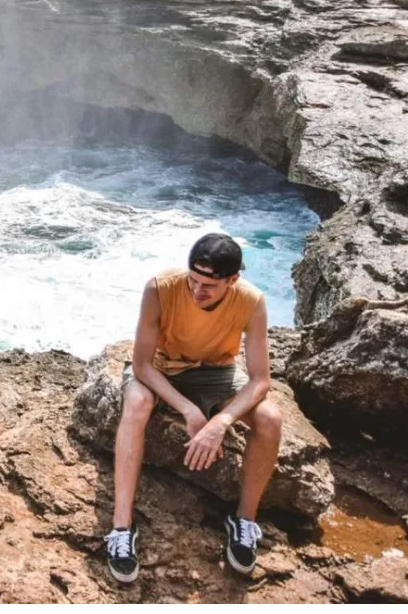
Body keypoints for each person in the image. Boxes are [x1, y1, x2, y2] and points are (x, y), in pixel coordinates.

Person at [103, 233, 282, 584]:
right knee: (137, 403)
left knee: (270, 418)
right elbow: (141, 365)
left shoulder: (251, 301)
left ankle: (243, 521)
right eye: (193, 280)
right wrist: (188, 409)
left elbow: (260, 379)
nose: (197, 291)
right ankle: (121, 529)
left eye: (209, 286)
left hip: (217, 374)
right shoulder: (160, 288)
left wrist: (223, 420)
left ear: (233, 280)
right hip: (160, 371)